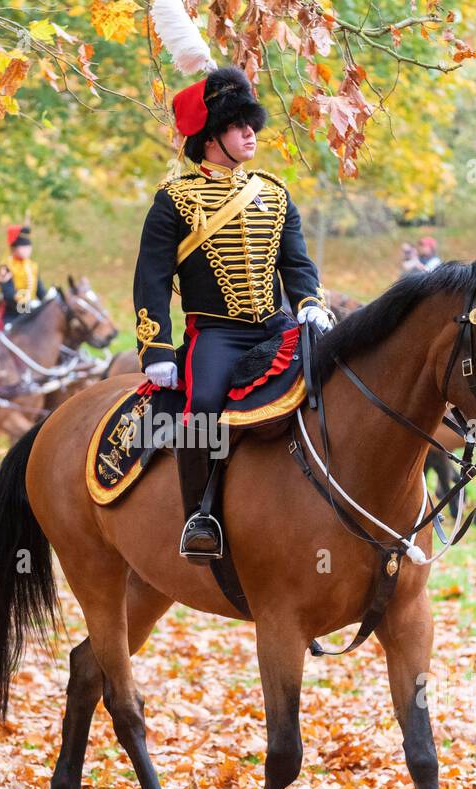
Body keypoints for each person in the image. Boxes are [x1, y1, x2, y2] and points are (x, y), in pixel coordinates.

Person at [133, 66, 328, 564]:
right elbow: (151, 281)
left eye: (252, 124)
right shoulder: (172, 201)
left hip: (276, 327)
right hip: (216, 335)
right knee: (203, 412)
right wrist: (156, 348)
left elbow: (297, 265)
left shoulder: (274, 193)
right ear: (210, 134)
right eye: (238, 124)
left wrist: (309, 305)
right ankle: (202, 515)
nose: (250, 134)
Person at [0, 225, 47, 328]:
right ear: (14, 248)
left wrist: (47, 301)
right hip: (12, 313)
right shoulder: (6, 266)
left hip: (31, 311)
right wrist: (27, 305)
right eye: (23, 247)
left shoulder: (32, 265)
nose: (27, 250)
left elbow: (40, 290)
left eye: (28, 247)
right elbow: (9, 294)